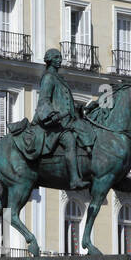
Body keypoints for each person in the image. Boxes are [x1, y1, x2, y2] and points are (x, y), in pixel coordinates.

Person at [28, 48, 87, 189]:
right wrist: (52, 115)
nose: (59, 60)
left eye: (60, 57)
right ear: (49, 60)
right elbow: (44, 100)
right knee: (70, 140)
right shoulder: (48, 77)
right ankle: (74, 179)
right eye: (56, 57)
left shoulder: (59, 78)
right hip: (55, 124)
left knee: (87, 133)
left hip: (67, 121)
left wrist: (79, 108)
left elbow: (65, 100)